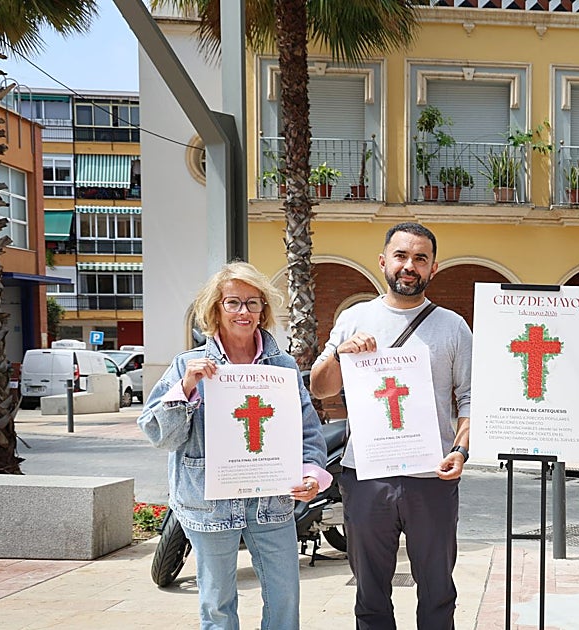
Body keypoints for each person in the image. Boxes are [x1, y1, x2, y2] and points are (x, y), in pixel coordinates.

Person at [138, 261, 330, 630]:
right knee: (217, 603)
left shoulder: (283, 367)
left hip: (272, 500)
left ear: (263, 310)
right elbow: (158, 433)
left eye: (253, 302)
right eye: (233, 303)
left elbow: (307, 431)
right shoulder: (186, 366)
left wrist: (310, 475)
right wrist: (186, 389)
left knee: (285, 597)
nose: (244, 311)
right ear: (216, 309)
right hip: (211, 505)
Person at [309, 222, 472, 630]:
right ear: (383, 262)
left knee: (437, 591)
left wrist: (461, 449)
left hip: (430, 477)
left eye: (420, 258)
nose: (409, 266)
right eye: (401, 256)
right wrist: (340, 355)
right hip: (367, 475)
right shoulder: (354, 318)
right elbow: (320, 388)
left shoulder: (452, 326)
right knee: (370, 594)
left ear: (434, 268)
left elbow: (472, 397)